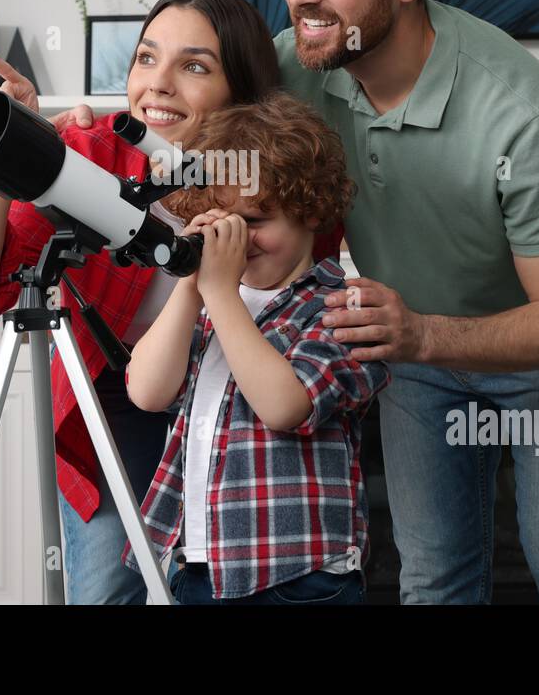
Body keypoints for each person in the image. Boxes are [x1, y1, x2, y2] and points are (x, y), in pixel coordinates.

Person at [59, 0, 539, 604]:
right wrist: (95, 131)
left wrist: (422, 334)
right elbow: (200, 122)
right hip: (406, 350)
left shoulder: (522, 114)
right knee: (434, 580)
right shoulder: (303, 61)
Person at [0, 0, 341, 604]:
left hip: (237, 386)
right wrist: (18, 151)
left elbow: (314, 295)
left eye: (194, 66)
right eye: (146, 58)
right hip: (119, 394)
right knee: (109, 587)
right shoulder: (92, 156)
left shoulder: (271, 174)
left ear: (244, 87)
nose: (159, 85)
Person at [122, 92, 390, 604]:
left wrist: (220, 294)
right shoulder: (208, 304)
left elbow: (285, 406)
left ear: (311, 211)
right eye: (221, 224)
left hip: (299, 575)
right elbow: (147, 392)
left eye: (256, 221)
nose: (236, 240)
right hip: (201, 564)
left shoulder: (341, 308)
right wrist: (191, 282)